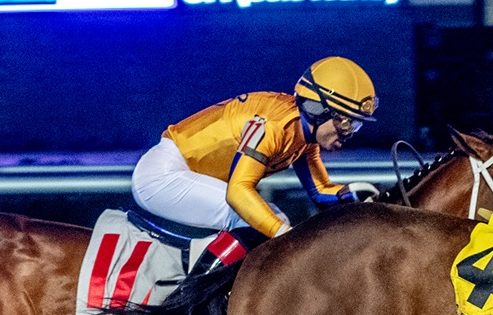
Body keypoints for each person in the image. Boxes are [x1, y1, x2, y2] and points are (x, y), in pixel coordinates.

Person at [131, 56, 377, 242]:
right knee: (256, 218)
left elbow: (321, 192)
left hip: (185, 171)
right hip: (162, 173)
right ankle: (195, 295)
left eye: (355, 124)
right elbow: (237, 192)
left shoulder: (305, 139)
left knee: (272, 217)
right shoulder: (270, 125)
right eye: (345, 121)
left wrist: (353, 195)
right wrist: (286, 237)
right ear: (317, 109)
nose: (349, 132)